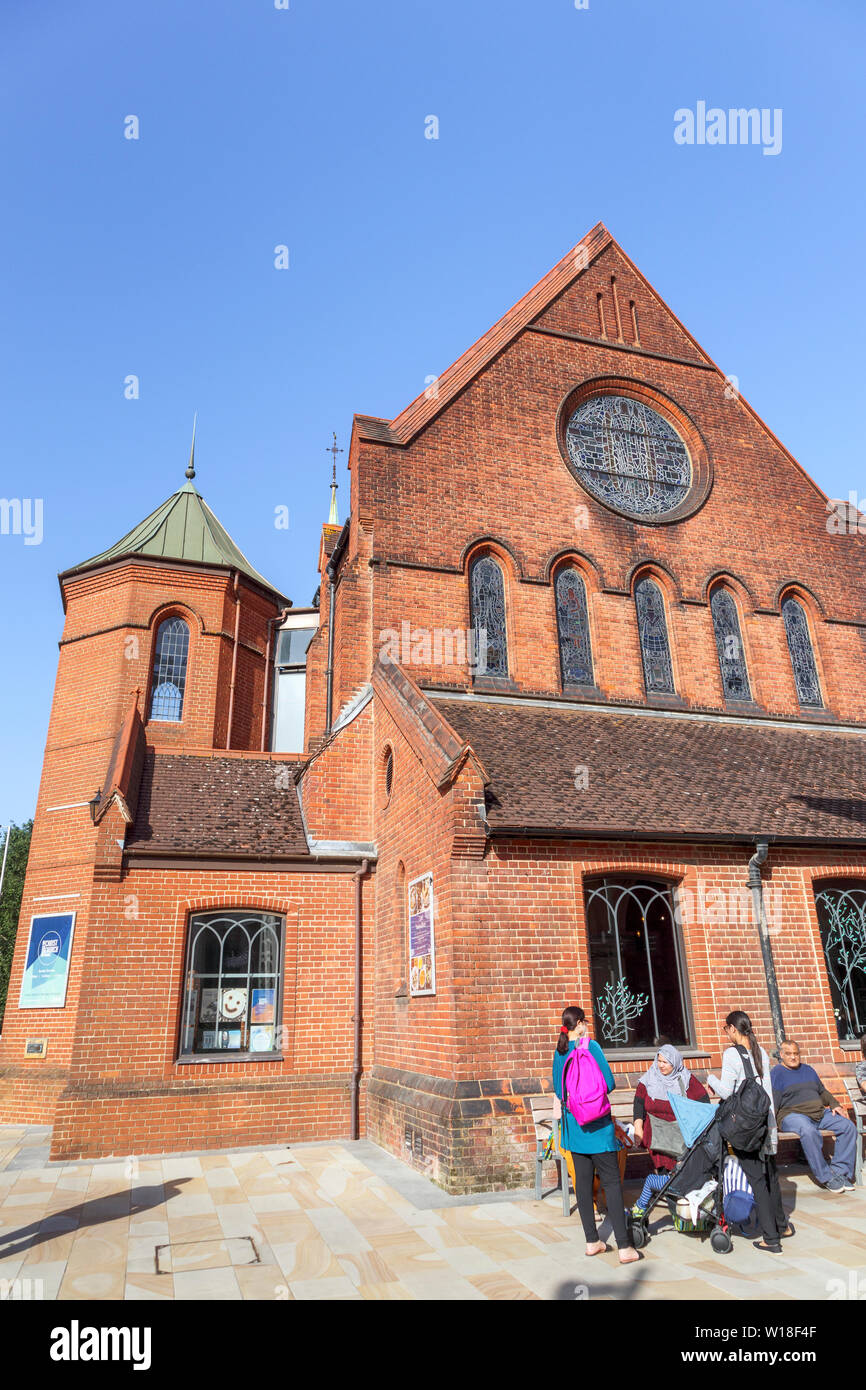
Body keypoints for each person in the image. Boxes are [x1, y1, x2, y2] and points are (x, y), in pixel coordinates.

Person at [552, 1006, 639, 1263]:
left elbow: (559, 1090)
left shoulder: (559, 1052)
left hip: (574, 1127)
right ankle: (624, 1247)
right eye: (585, 1022)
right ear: (579, 1023)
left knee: (582, 1183)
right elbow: (609, 1083)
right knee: (612, 1183)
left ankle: (592, 1242)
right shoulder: (593, 1047)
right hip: (599, 1128)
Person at [707, 1010, 793, 1253]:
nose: (726, 1034)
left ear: (733, 1029)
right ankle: (781, 1225)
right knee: (769, 1176)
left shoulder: (731, 1054)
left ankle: (771, 1239)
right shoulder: (761, 1051)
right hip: (766, 1123)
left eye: (726, 1029)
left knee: (757, 1180)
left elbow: (726, 1091)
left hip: (747, 1129)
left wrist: (711, 1080)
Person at [631, 1044, 710, 1217]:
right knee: (669, 1167)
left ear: (675, 1062)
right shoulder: (650, 1077)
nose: (661, 1065)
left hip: (679, 1133)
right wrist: (638, 1127)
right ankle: (669, 1189)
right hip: (656, 1132)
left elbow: (704, 1103)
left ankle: (672, 1194)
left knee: (680, 1165)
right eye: (659, 1061)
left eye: (665, 1062)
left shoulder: (686, 1079)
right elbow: (638, 1103)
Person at [770, 1040, 857, 1192]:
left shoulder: (808, 1070)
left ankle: (840, 1173)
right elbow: (773, 1100)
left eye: (796, 1053)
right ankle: (825, 1177)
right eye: (789, 1054)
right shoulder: (777, 1073)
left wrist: (835, 1104)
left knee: (847, 1126)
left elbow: (822, 1092)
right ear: (781, 1055)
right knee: (808, 1131)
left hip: (819, 1114)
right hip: (792, 1116)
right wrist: (770, 1122)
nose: (793, 1057)